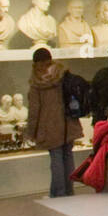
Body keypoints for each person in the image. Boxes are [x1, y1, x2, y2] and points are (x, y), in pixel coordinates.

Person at [26, 47, 76, 197]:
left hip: (49, 126)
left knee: (56, 158)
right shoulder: (62, 75)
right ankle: (68, 191)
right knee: (67, 156)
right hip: (68, 122)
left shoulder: (37, 82)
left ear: (35, 64)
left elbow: (34, 111)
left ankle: (58, 194)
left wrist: (31, 132)